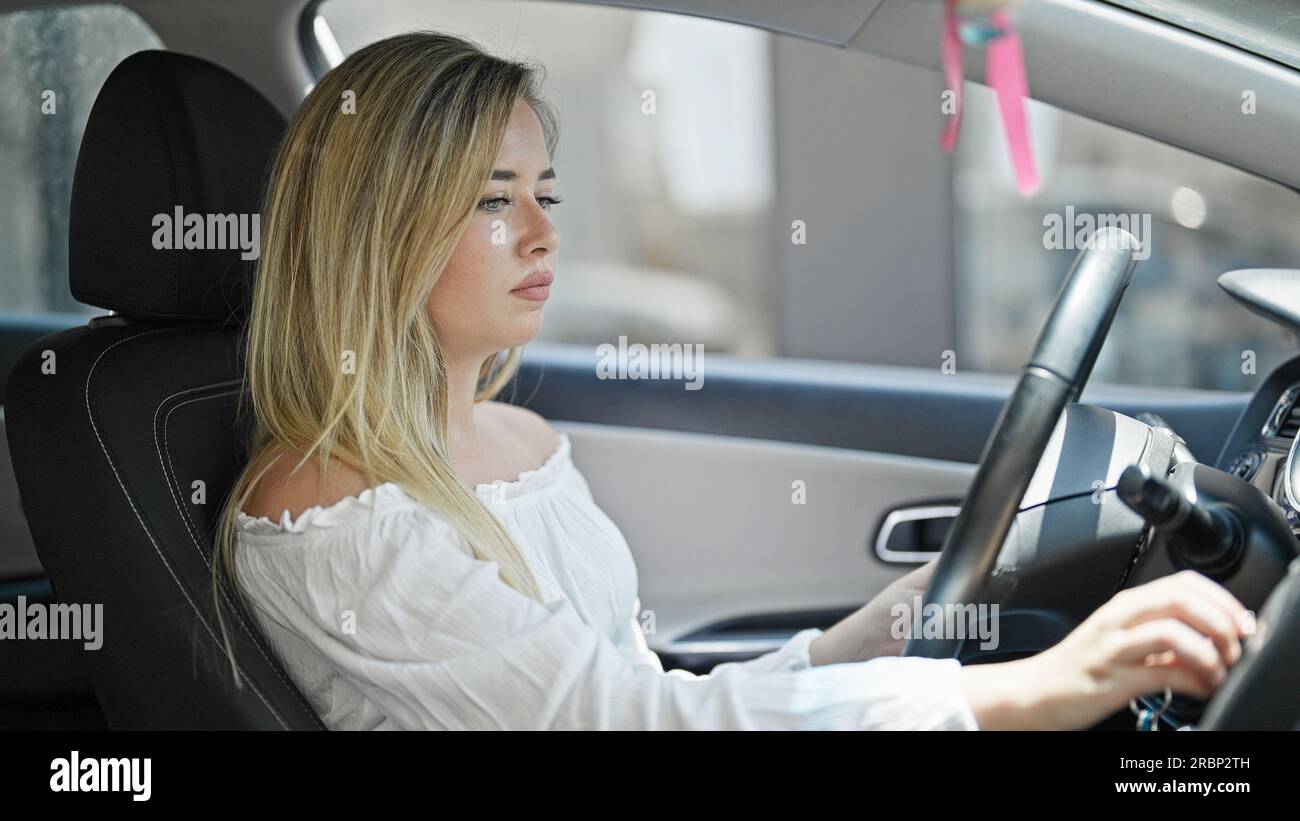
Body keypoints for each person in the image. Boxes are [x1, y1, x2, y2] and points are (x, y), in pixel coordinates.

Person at [212, 31, 1252, 731]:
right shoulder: (330, 511)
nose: (542, 232)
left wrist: (898, 619)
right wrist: (1024, 692)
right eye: (494, 201)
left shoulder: (514, 442)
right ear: (377, 231)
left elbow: (650, 691)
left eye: (545, 191)